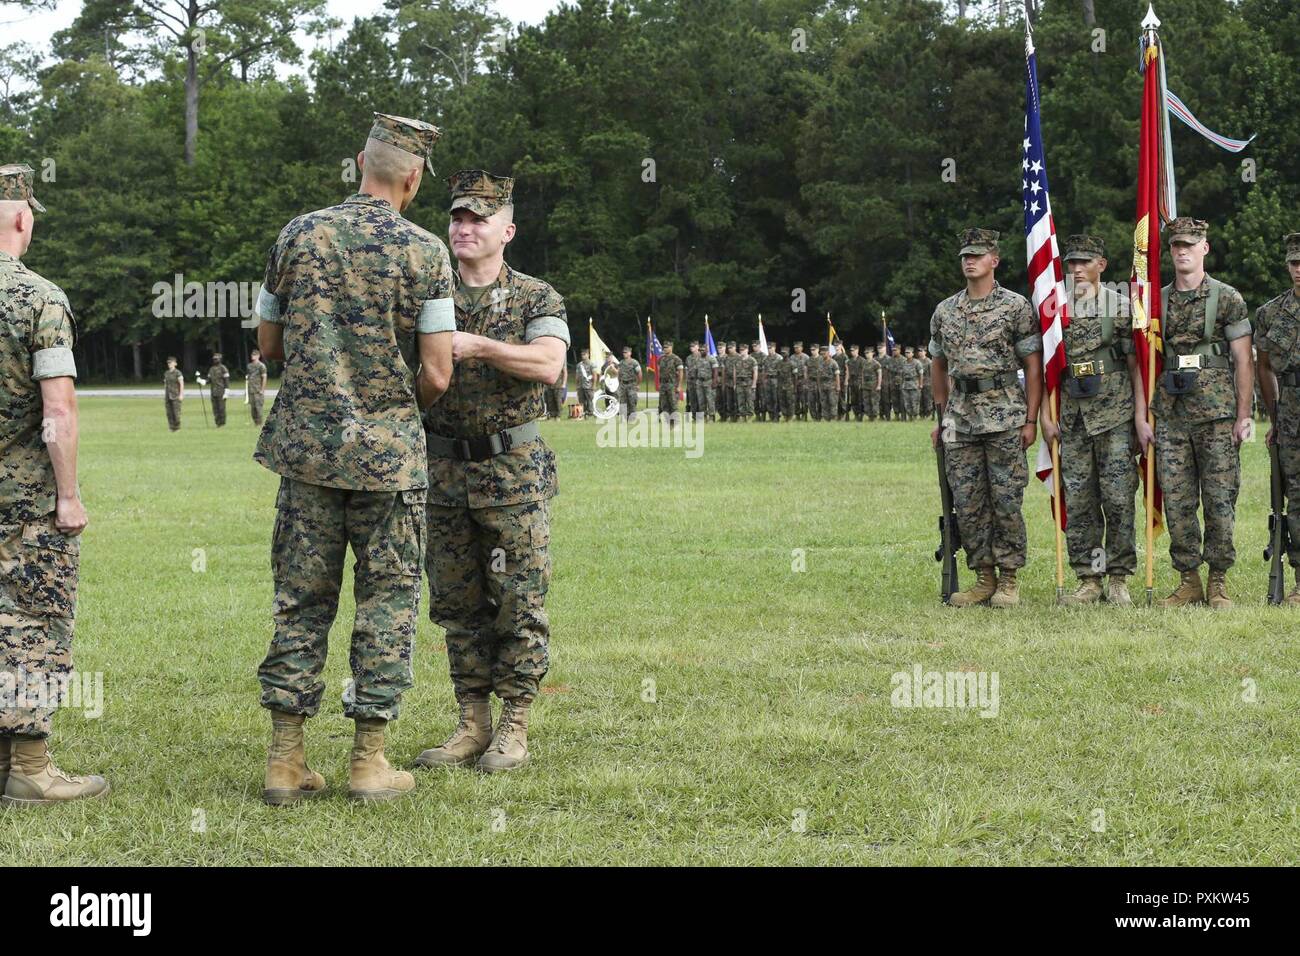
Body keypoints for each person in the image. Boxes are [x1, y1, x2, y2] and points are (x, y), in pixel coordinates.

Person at [253, 112, 455, 803]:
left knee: (301, 602)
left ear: (359, 161)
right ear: (415, 177)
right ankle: (370, 762)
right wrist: (395, 414)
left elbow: (269, 346)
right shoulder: (427, 253)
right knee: (389, 600)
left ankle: (286, 761)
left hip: (307, 452)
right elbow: (438, 371)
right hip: (388, 459)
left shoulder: (298, 234)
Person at [415, 169, 568, 774]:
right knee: (457, 603)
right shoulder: (428, 291)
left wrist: (478, 346)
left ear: (508, 229)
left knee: (518, 598)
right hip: (444, 472)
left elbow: (549, 365)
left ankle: (515, 722)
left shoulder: (536, 296)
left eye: (478, 219)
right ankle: (471, 722)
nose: (464, 228)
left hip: (512, 474)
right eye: (457, 217)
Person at [0, 162, 106, 804]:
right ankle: (32, 768)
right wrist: (67, 496)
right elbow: (58, 411)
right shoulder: (40, 298)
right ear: (20, 216)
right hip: (24, 501)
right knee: (33, 623)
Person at [929, 227, 1042, 607]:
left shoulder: (1015, 306)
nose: (969, 260)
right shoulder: (945, 310)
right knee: (968, 500)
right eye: (965, 255)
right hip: (960, 419)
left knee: (1006, 499)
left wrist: (1031, 419)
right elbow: (938, 364)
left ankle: (1008, 579)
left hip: (1005, 414)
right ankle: (984, 576)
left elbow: (1033, 362)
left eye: (977, 254)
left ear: (994, 260)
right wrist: (942, 416)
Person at [1151, 218, 1253, 609]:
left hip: (1217, 415)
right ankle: (1188, 579)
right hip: (1172, 414)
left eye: (1190, 245)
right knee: (1177, 501)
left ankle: (1218, 581)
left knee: (1220, 500)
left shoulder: (1227, 298)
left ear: (1204, 249)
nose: (1182, 251)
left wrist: (1243, 415)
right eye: (1176, 245)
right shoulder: (1156, 301)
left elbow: (1243, 360)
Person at [1040, 235, 1146, 606]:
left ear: (1102, 265)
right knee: (1081, 501)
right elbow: (1047, 369)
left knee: (1118, 498)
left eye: (1084, 262)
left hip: (1115, 415)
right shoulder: (1056, 309)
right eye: (1071, 263)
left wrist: (1140, 416)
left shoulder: (1121, 307)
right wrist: (1044, 415)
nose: (1076, 269)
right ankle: (1089, 577)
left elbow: (1137, 366)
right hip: (1073, 418)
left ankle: (1118, 577)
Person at [1254, 232, 1300, 603]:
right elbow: (1264, 366)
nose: (1299, 270)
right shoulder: (1270, 313)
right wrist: (1274, 417)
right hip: (1292, 412)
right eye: (1294, 263)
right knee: (1296, 496)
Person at [657, 339, 684, 424]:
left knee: (673, 404)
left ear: (671, 348)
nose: (664, 349)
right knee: (664, 404)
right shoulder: (661, 359)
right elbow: (659, 371)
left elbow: (681, 372)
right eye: (664, 347)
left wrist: (679, 385)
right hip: (663, 384)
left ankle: (675, 421)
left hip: (672, 384)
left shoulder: (676, 359)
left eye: (666, 347)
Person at [617, 346, 642, 421]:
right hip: (623, 385)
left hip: (631, 385)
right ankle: (624, 418)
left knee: (632, 401)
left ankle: (632, 417)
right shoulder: (621, 363)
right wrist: (620, 382)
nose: (624, 354)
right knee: (623, 401)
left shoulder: (634, 362)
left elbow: (639, 373)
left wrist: (638, 384)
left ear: (630, 353)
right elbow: (619, 374)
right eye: (624, 352)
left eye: (626, 352)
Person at [246, 348, 268, 426]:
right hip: (251, 390)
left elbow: (264, 378)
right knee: (253, 409)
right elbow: (248, 377)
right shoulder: (249, 366)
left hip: (258, 390)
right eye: (252, 355)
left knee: (259, 408)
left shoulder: (261, 366)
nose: (253, 356)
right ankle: (256, 423)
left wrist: (262, 389)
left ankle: (260, 423)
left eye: (255, 355)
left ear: (258, 356)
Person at [207, 352, 230, 427]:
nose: (215, 360)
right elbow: (209, 380)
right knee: (215, 409)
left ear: (220, 359)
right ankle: (217, 423)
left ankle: (222, 423)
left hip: (221, 392)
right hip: (213, 392)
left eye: (216, 359)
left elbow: (226, 381)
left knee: (221, 408)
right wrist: (201, 381)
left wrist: (226, 392)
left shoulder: (223, 368)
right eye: (214, 359)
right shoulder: (211, 369)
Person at [164, 355, 184, 431]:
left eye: (171, 363)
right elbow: (165, 384)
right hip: (168, 395)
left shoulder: (178, 373)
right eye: (168, 363)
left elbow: (181, 384)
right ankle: (171, 427)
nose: (169, 364)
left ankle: (177, 427)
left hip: (175, 394)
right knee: (169, 412)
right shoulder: (166, 373)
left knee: (176, 412)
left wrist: (181, 394)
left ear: (175, 364)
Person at [575, 348, 595, 419]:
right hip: (581, 386)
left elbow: (594, 375)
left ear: (588, 355)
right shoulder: (579, 365)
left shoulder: (591, 364)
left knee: (589, 400)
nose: (583, 356)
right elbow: (577, 376)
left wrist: (594, 385)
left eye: (584, 354)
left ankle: (590, 413)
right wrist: (577, 385)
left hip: (588, 386)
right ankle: (583, 413)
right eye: (582, 355)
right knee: (581, 400)